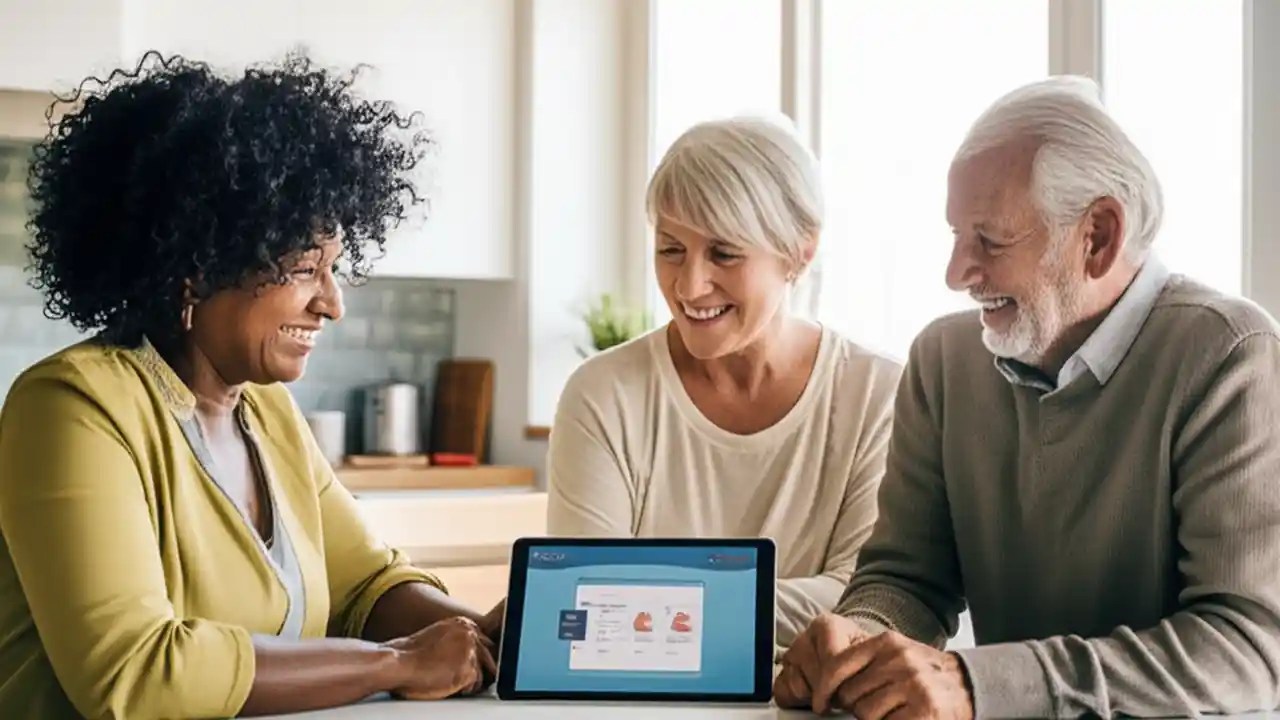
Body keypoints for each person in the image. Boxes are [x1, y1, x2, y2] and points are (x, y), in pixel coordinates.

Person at [0, 52, 504, 719]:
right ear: (197, 269)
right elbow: (135, 671)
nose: (331, 304)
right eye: (303, 269)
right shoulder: (72, 410)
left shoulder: (267, 413)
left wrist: (490, 639)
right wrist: (398, 663)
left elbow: (366, 586)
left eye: (333, 270)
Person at [776, 75, 1280, 719]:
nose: (955, 273)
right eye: (956, 236)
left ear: (1097, 234)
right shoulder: (943, 360)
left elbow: (1246, 649)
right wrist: (860, 633)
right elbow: (908, 580)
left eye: (989, 240)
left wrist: (982, 684)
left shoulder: (1228, 355)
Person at [545, 116, 903, 655]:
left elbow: (870, 606)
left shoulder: (878, 396)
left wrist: (658, 606)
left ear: (799, 253)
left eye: (724, 253)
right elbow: (588, 604)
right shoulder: (603, 396)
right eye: (670, 249)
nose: (689, 285)